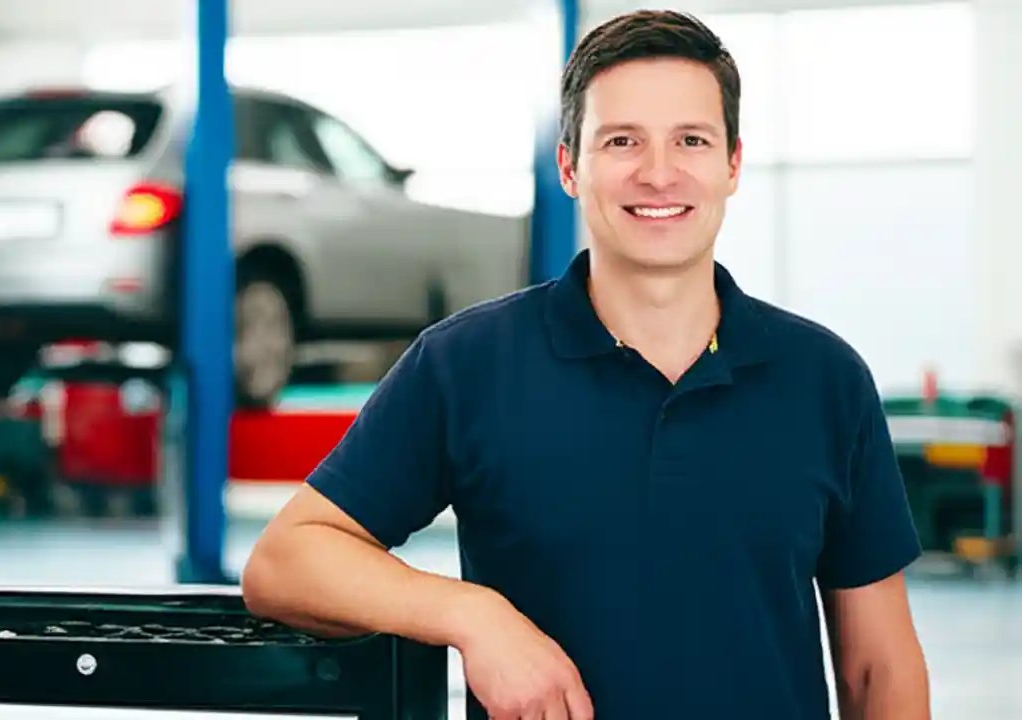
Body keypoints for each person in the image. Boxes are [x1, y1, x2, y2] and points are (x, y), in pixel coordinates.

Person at [241, 9, 930, 720]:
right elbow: (286, 562)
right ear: (571, 167)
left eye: (690, 140)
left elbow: (877, 668)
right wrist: (473, 616)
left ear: (732, 164)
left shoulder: (824, 378)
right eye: (622, 140)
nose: (658, 173)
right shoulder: (467, 364)